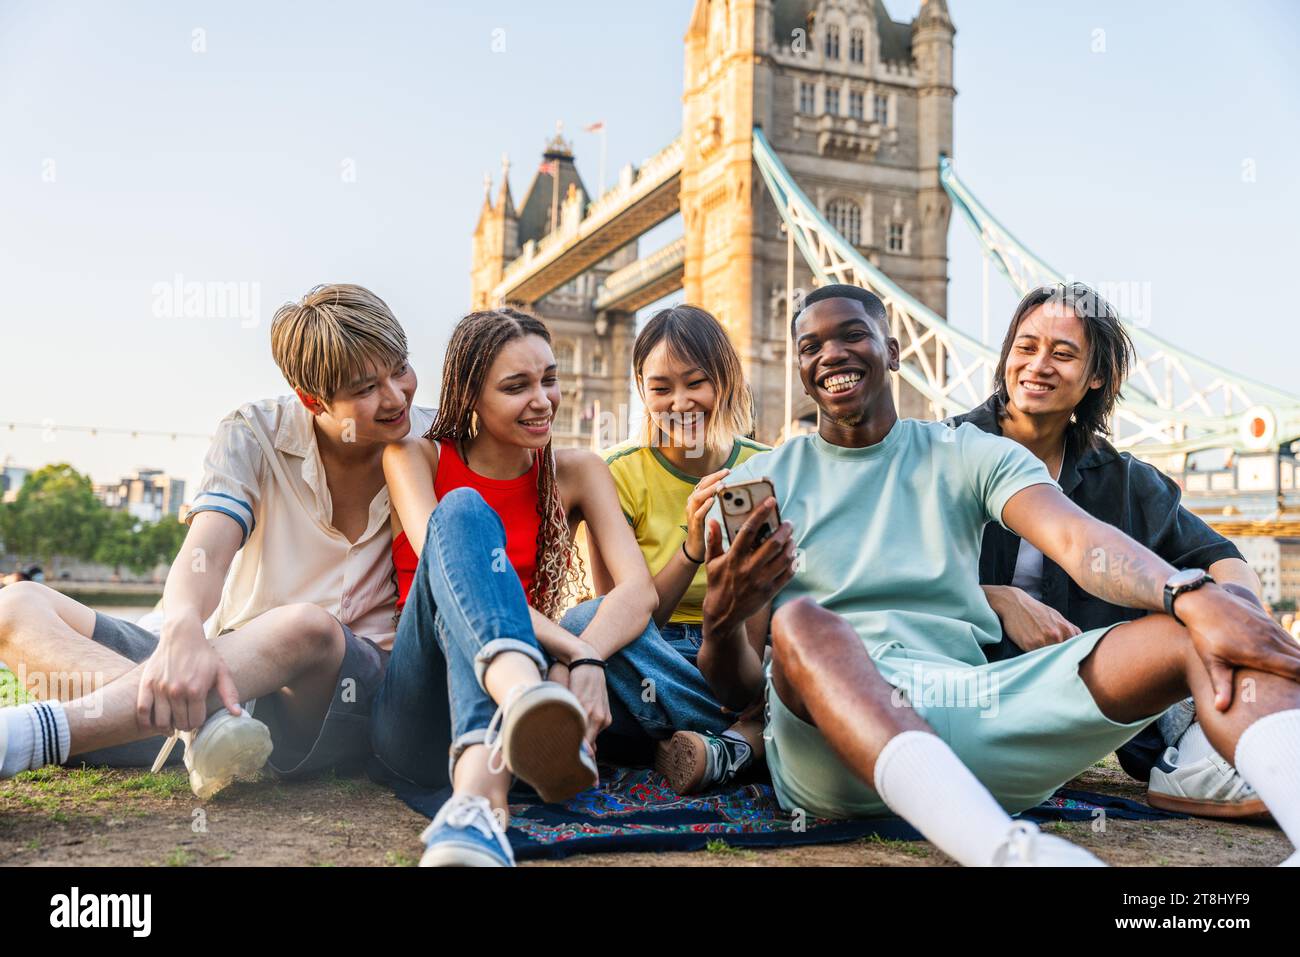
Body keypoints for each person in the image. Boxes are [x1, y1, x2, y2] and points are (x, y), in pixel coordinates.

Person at [697, 284, 1300, 867]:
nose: (831, 354)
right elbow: (743, 692)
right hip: (830, 745)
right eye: (810, 347)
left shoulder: (968, 451)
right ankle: (1007, 853)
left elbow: (1079, 540)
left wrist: (1189, 594)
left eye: (854, 335)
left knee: (1210, 623)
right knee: (803, 623)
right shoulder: (759, 487)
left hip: (972, 709)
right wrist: (722, 623)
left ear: (894, 352)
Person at [0, 284, 432, 798]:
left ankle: (27, 738)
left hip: (345, 690)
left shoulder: (436, 440)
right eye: (365, 389)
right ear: (311, 399)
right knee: (16, 604)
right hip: (236, 665)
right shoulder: (254, 432)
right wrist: (183, 626)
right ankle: (208, 730)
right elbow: (209, 544)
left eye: (400, 367)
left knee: (308, 627)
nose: (396, 395)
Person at [372, 307, 737, 867]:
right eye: (516, 387)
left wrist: (579, 657)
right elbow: (451, 575)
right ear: (470, 395)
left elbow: (636, 594)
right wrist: (576, 653)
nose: (541, 399)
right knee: (463, 513)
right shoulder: (413, 457)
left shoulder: (579, 470)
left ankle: (476, 807)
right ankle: (519, 700)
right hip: (422, 710)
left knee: (586, 616)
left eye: (549, 379)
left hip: (535, 714)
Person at [947, 282, 1265, 819]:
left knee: (1209, 607)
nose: (1038, 365)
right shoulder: (940, 451)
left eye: (1063, 353)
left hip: (1081, 695)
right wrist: (995, 598)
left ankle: (1202, 761)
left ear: (1096, 377)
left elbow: (1219, 556)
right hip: (963, 685)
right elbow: (884, 581)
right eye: (1025, 348)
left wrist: (1240, 619)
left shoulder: (1123, 481)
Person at [597, 305, 768, 794]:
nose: (680, 402)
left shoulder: (763, 467)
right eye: (661, 388)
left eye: (696, 382)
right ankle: (746, 736)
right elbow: (616, 618)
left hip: (735, 648)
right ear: (641, 389)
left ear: (726, 380)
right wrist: (691, 549)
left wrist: (746, 673)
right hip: (655, 651)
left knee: (809, 650)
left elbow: (766, 600)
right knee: (582, 630)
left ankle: (695, 737)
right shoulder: (618, 473)